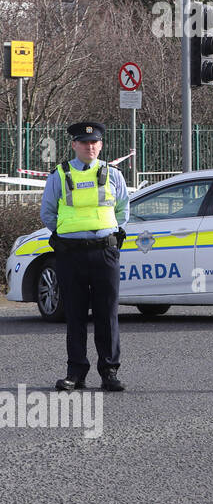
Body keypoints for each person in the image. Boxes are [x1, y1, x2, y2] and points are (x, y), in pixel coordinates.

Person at [39, 122, 129, 392]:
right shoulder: (59, 175)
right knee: (75, 315)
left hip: (104, 251)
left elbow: (124, 209)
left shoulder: (113, 174)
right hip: (71, 253)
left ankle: (109, 372)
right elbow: (48, 213)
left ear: (101, 145)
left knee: (107, 314)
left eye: (94, 142)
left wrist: (109, 234)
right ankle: (75, 373)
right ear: (74, 145)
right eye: (83, 142)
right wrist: (68, 234)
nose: (89, 147)